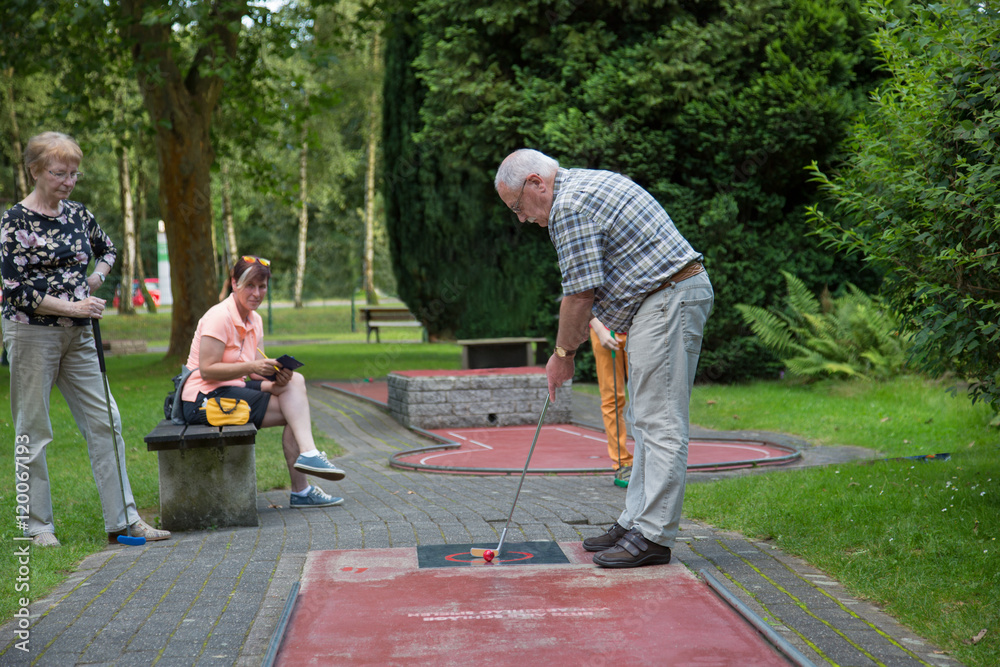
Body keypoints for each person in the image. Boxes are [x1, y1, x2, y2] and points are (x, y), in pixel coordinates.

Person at [495, 148, 714, 568]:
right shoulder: (580, 188)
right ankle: (635, 521)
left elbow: (579, 295)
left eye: (518, 207)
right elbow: (588, 288)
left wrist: (562, 355)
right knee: (646, 418)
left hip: (668, 296)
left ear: (536, 184)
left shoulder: (569, 206)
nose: (522, 218)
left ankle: (653, 536)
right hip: (662, 297)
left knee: (661, 420)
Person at [1, 131, 170, 547]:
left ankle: (124, 520)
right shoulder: (13, 222)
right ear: (36, 170)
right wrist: (74, 306)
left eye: (74, 174)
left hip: (79, 338)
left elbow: (108, 249)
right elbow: (14, 289)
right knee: (32, 431)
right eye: (60, 173)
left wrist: (96, 277)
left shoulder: (79, 215)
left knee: (106, 421)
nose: (69, 181)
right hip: (30, 334)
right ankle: (36, 525)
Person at [180, 255, 347, 508]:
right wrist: (252, 367)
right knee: (296, 411)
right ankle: (305, 477)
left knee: (295, 383)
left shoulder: (254, 319)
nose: (257, 293)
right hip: (203, 399)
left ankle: (307, 463)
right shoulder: (219, 316)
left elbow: (256, 371)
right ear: (234, 283)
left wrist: (276, 373)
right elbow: (207, 370)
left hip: (231, 388)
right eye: (250, 286)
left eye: (262, 286)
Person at [589, 317, 633, 477]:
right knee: (612, 399)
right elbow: (582, 295)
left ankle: (650, 460)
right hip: (604, 330)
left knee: (646, 397)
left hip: (639, 329)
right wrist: (600, 329)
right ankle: (623, 462)